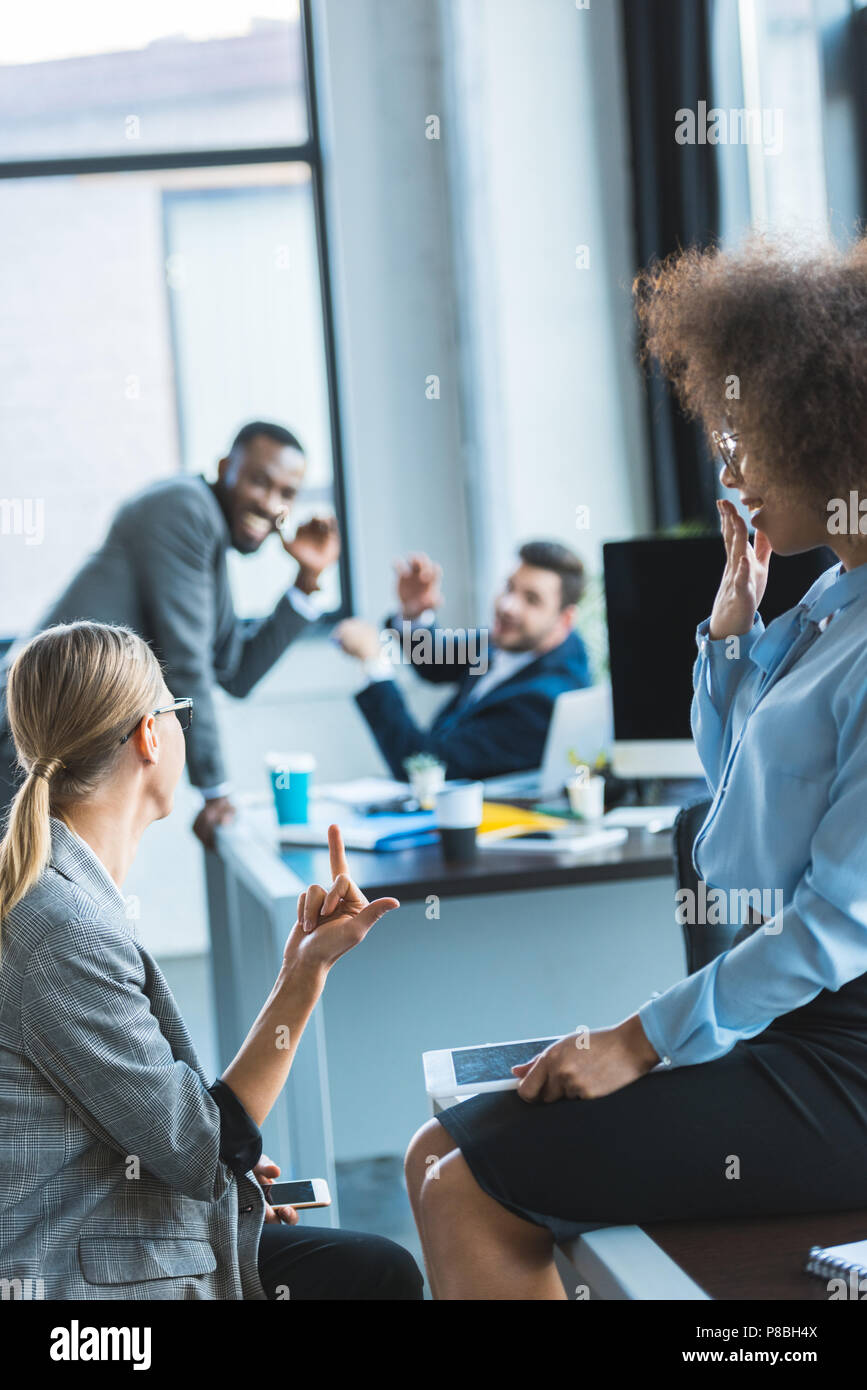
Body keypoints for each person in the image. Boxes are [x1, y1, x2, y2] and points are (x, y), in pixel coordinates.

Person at [405, 232, 867, 1299]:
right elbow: (735, 807)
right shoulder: (829, 604)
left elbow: (840, 922)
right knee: (436, 1153)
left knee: (465, 1176)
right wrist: (733, 631)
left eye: (749, 441)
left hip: (842, 1060)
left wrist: (641, 1041)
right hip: (783, 1020)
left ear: (833, 431)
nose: (731, 468)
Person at [0, 620, 422, 1300]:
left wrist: (226, 1173)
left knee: (370, 1268)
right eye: (178, 711)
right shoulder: (65, 929)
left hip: (98, 1230)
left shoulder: (51, 891)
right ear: (149, 734)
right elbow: (201, 1147)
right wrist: (307, 975)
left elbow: (166, 1129)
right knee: (375, 1274)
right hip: (79, 1283)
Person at [0, 422, 341, 849]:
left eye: (286, 493)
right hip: (24, 729)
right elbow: (187, 665)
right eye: (258, 481)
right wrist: (216, 791)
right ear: (224, 468)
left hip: (61, 737)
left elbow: (235, 673)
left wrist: (307, 580)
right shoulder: (185, 508)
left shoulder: (209, 537)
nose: (270, 502)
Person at [334, 541, 592, 781]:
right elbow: (435, 662)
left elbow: (423, 767)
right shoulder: (513, 642)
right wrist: (415, 614)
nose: (508, 606)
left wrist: (374, 662)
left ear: (565, 620)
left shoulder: (544, 702)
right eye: (510, 587)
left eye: (532, 599)